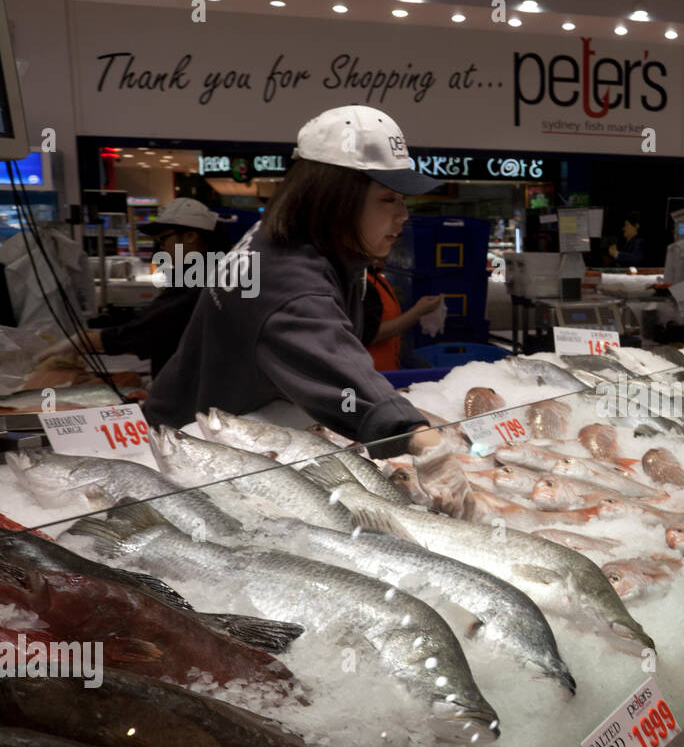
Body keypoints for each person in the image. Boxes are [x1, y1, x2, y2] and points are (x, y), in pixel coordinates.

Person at [145, 104, 474, 517]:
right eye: (388, 199)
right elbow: (332, 361)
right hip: (195, 460)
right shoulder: (290, 282)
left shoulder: (290, 236)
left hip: (236, 428)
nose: (403, 216)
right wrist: (419, 439)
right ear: (334, 200)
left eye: (403, 200)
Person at [34, 198, 227, 376]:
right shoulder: (212, 272)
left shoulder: (198, 279)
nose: (161, 248)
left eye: (163, 239)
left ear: (191, 236)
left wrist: (81, 342)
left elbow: (146, 331)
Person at [361, 261, 444, 372]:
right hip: (369, 375)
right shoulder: (360, 283)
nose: (388, 247)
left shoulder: (376, 278)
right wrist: (417, 312)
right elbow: (368, 334)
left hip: (388, 372)